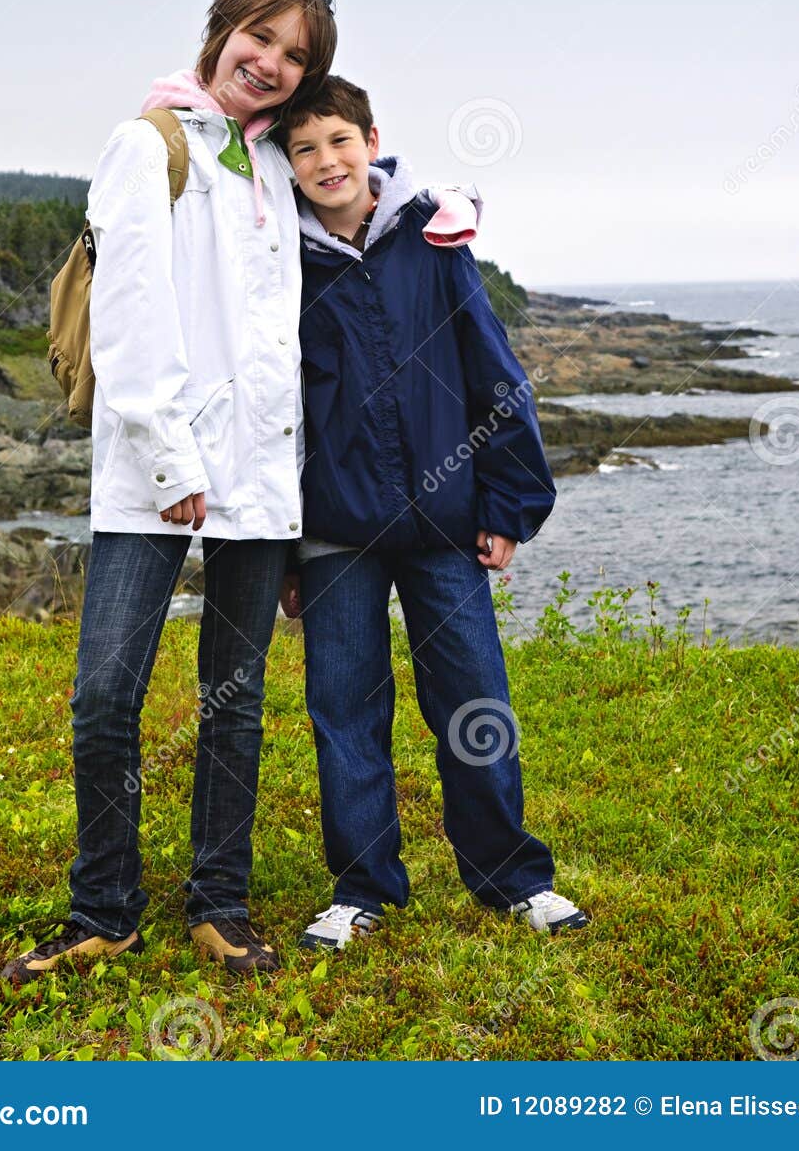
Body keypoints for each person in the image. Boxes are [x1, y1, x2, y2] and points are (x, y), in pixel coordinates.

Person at [1, 0, 337, 985]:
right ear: (221, 32)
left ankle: (219, 905)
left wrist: (293, 490)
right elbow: (134, 312)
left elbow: (285, 327)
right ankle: (103, 907)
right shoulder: (150, 144)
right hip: (160, 467)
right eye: (257, 35)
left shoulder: (275, 167)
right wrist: (168, 457)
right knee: (107, 691)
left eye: (292, 54)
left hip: (262, 473)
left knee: (231, 698)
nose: (269, 61)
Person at [278, 76, 590, 952]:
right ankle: (362, 888)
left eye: (339, 141)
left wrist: (508, 502)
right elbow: (274, 413)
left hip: (446, 524)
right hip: (334, 529)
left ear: (371, 139)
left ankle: (512, 879)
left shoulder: (433, 238)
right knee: (344, 710)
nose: (326, 161)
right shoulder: (278, 264)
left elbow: (492, 371)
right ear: (286, 166)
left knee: (473, 701)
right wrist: (283, 554)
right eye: (304, 149)